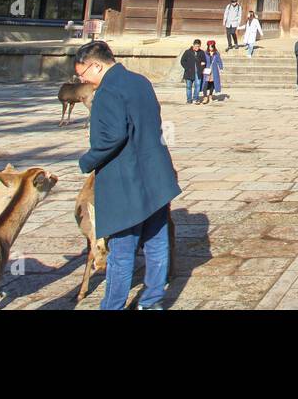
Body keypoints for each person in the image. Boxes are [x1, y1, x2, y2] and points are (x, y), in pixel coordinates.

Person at [75, 41, 181, 310]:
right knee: (156, 243)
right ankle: (152, 300)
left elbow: (113, 136)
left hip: (125, 180)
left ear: (96, 65)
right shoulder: (140, 81)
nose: (82, 79)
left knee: (121, 252)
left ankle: (112, 306)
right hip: (155, 174)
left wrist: (87, 161)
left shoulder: (108, 91)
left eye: (82, 73)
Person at [181, 38, 207, 106]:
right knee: (188, 86)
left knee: (197, 85)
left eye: (198, 46)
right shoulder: (187, 52)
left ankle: (196, 98)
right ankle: (189, 100)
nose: (197, 48)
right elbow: (182, 61)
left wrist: (202, 67)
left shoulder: (201, 52)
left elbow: (204, 61)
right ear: (193, 45)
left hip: (198, 72)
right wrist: (187, 68)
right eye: (196, 46)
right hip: (189, 72)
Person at [203, 40, 224, 105]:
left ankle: (210, 95)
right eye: (209, 47)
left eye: (212, 47)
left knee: (212, 83)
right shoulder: (205, 53)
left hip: (214, 71)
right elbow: (202, 60)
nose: (210, 48)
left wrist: (221, 67)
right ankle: (205, 96)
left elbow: (219, 61)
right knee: (205, 84)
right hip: (206, 70)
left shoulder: (216, 53)